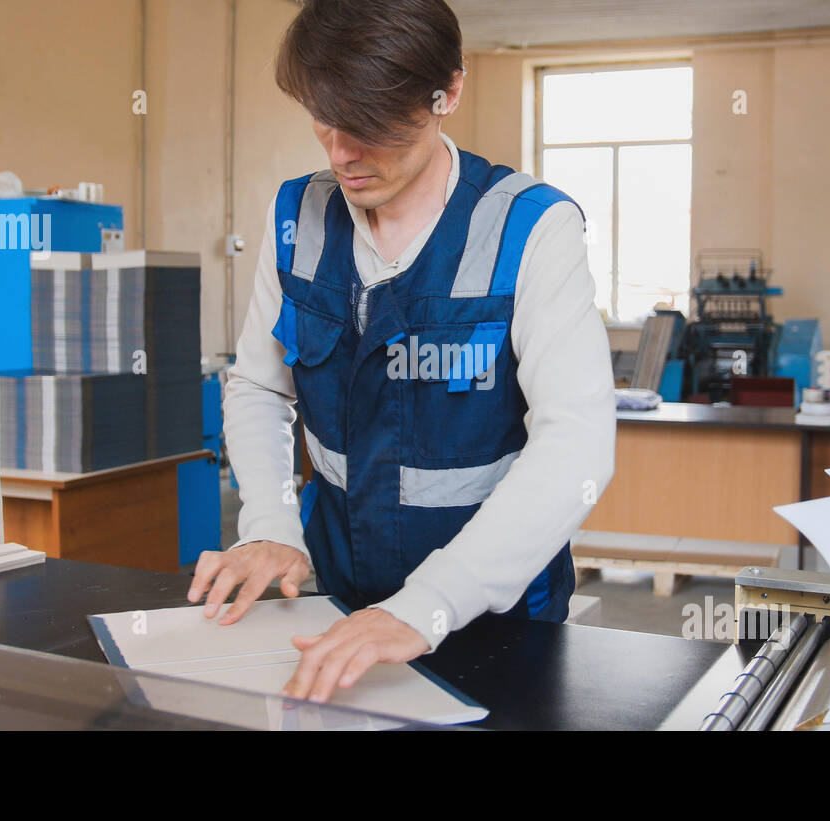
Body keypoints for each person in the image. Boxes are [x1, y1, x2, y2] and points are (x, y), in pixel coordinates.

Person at [189, 0, 615, 704]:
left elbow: (577, 446)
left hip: (497, 624)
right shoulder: (297, 218)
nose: (340, 153)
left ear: (447, 93)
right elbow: (260, 387)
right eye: (325, 121)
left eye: (371, 127)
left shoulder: (533, 228)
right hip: (335, 609)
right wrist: (269, 526)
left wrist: (427, 605)